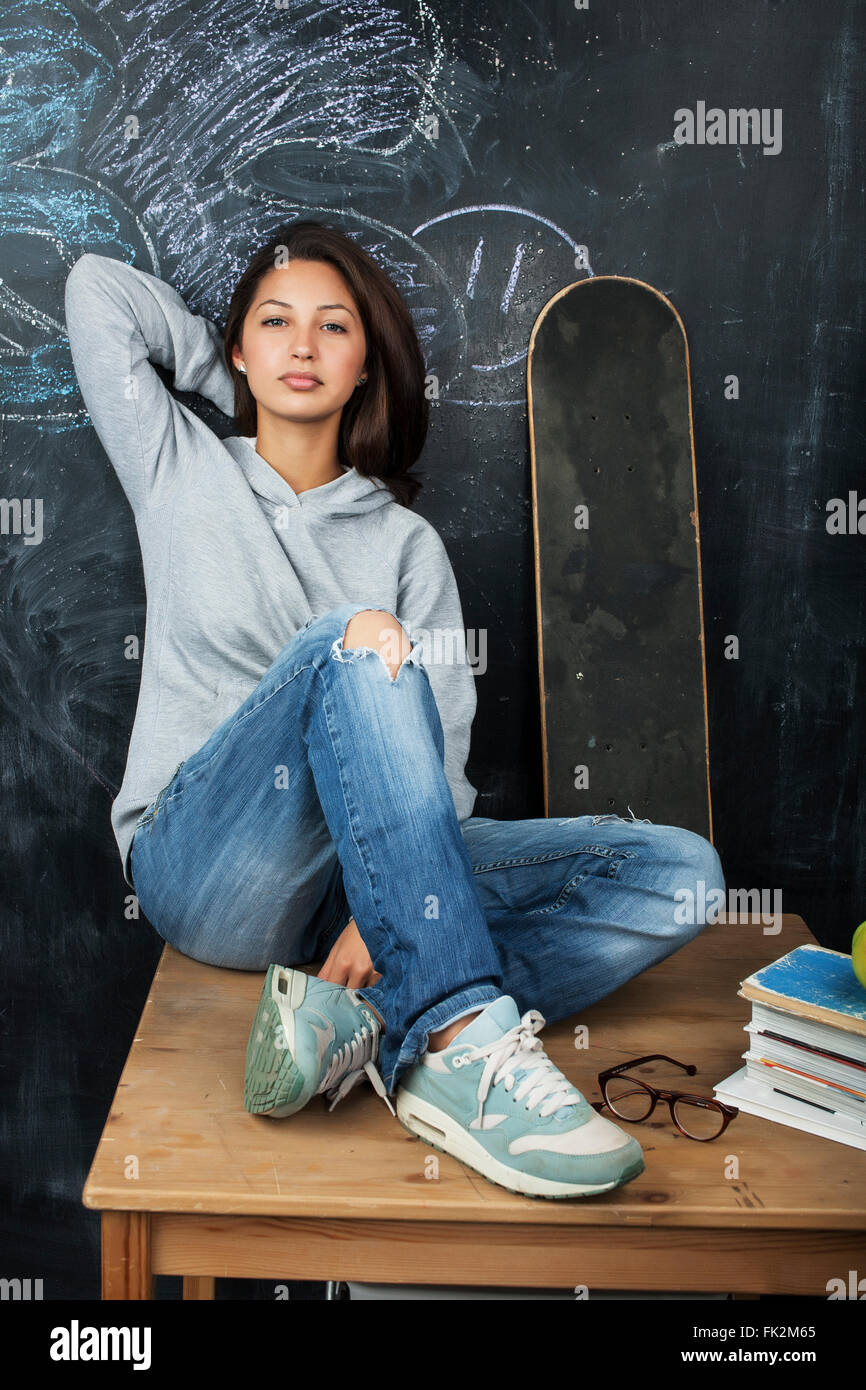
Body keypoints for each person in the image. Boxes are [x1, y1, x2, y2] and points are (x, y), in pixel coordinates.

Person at [64, 220, 726, 1201]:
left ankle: (372, 1014)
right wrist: (218, 379)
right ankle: (456, 1038)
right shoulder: (181, 468)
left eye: (332, 327)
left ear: (367, 362)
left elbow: (441, 765)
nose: (299, 345)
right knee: (356, 642)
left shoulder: (406, 545)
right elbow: (93, 289)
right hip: (207, 869)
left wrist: (388, 918)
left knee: (682, 875)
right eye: (273, 323)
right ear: (242, 346)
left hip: (354, 890)